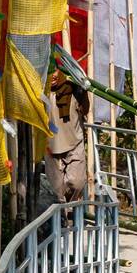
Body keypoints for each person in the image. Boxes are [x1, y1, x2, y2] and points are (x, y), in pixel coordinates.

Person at [44, 70, 89, 202]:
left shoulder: (74, 89)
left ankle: (70, 209)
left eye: (55, 71)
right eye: (49, 71)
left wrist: (85, 91)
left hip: (74, 144)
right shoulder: (42, 90)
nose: (52, 76)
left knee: (77, 183)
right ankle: (63, 219)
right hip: (51, 147)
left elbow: (85, 109)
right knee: (56, 190)